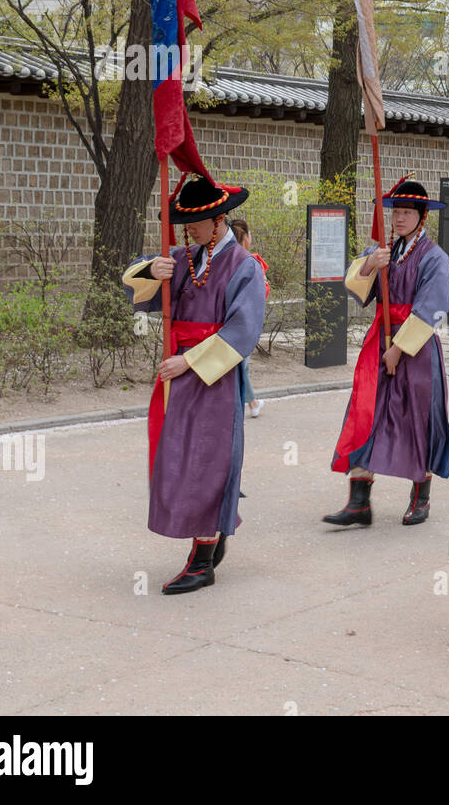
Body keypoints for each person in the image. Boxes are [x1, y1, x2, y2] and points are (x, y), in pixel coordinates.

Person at [122, 174, 265, 594]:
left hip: (211, 376)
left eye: (196, 222)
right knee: (180, 457)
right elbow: (135, 282)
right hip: (179, 374)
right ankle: (211, 537)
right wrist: (153, 268)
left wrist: (190, 360)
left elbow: (243, 331)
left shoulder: (244, 266)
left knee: (208, 459)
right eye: (185, 223)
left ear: (218, 220)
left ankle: (203, 559)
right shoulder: (185, 257)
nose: (189, 229)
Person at [324, 176, 449, 529]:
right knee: (367, 411)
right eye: (396, 211)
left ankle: (420, 497)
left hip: (416, 345)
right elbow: (356, 284)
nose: (399, 218)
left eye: (407, 212)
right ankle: (358, 501)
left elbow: (436, 305)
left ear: (421, 216)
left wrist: (399, 348)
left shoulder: (434, 257)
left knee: (419, 417)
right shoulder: (383, 250)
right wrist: (370, 266)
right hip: (378, 339)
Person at [229, 218, 268, 418]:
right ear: (245, 238)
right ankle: (251, 403)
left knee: (240, 363)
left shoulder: (226, 261)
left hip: (231, 322)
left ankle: (250, 402)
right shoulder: (250, 263)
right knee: (241, 364)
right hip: (244, 323)